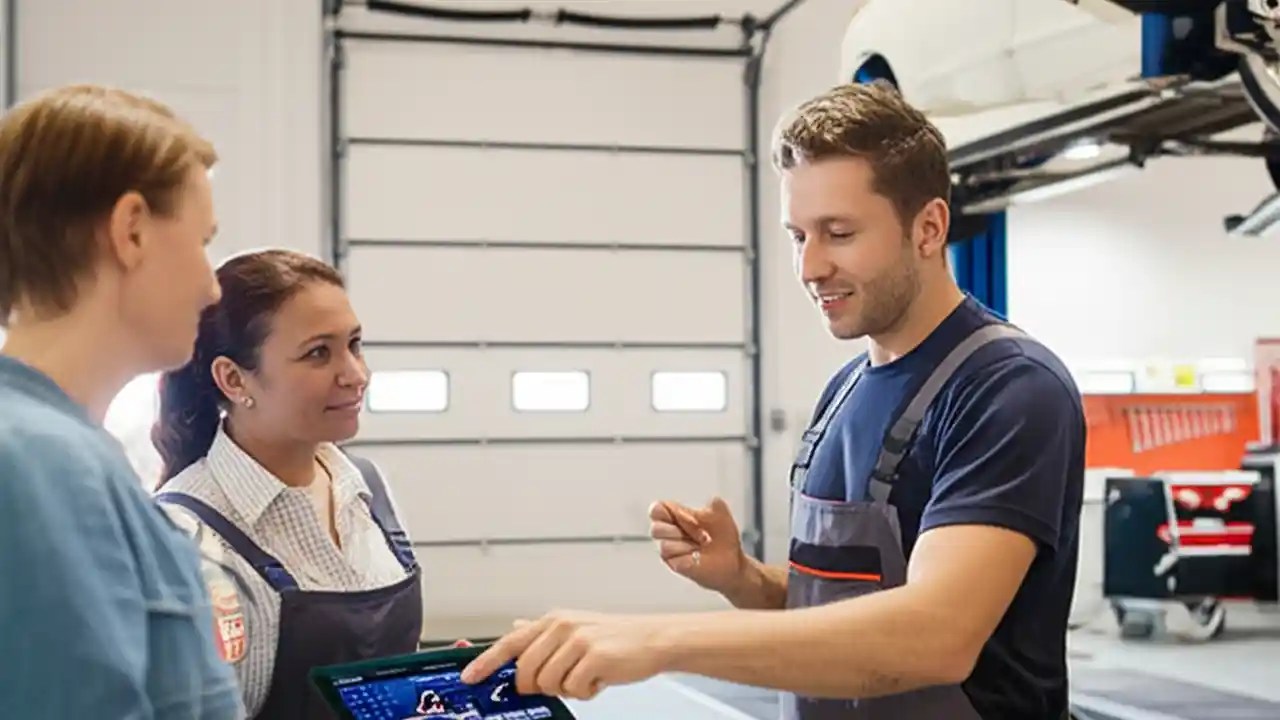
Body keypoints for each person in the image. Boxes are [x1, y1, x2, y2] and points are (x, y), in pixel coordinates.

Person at [460, 80, 1086, 720]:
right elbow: (839, 617)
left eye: (838, 233)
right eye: (797, 236)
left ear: (928, 228)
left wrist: (658, 639)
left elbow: (936, 635)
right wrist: (744, 580)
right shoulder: (843, 391)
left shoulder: (1009, 389)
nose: (810, 267)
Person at [0, 84, 242, 718]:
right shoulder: (38, 468)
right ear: (131, 230)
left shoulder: (64, 455)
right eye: (201, 241)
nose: (212, 286)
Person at [150, 248, 423, 720]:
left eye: (354, 344)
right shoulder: (187, 536)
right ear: (234, 380)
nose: (356, 375)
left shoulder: (366, 488)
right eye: (319, 353)